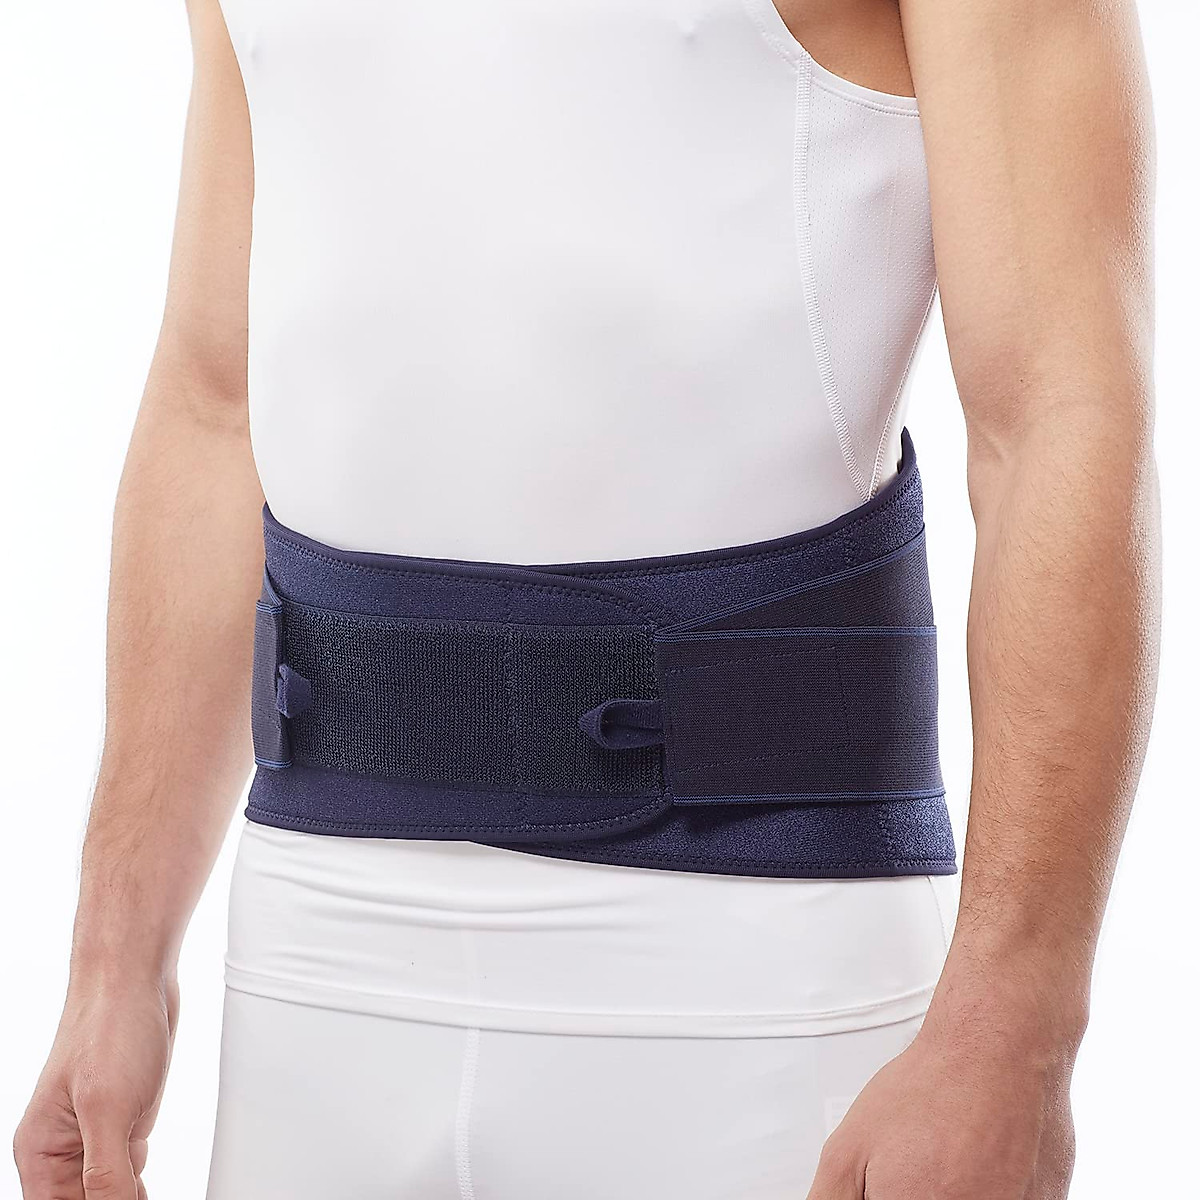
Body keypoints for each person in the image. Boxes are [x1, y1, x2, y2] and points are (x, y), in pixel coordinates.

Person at [14, 0, 1159, 1196]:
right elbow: (216, 400)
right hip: (316, 971)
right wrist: (114, 962)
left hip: (760, 976)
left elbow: (1059, 416)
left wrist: (1012, 1029)